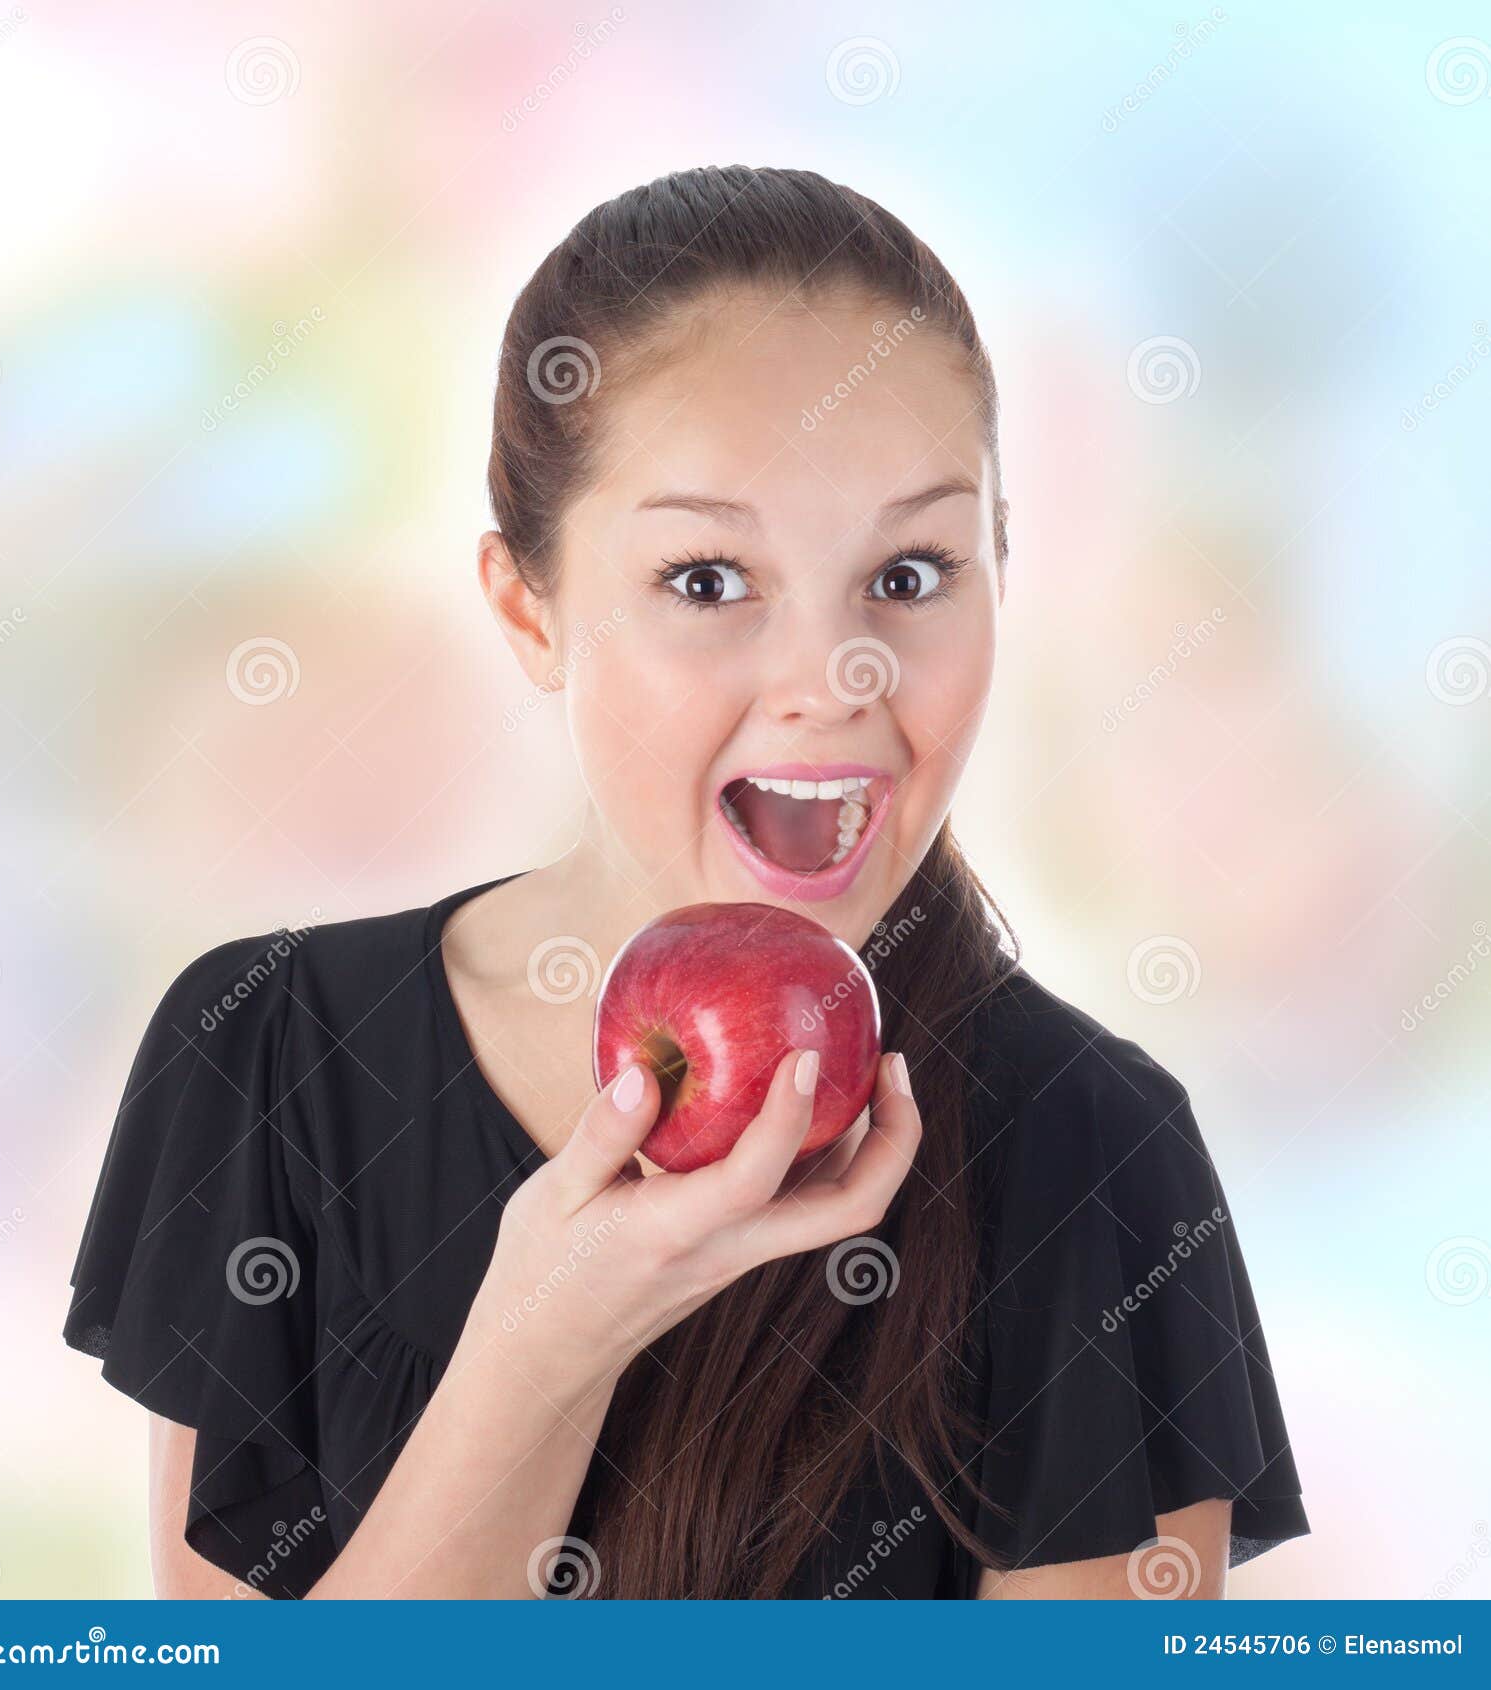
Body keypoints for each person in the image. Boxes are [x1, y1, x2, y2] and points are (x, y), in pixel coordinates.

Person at [63, 164, 1308, 1599]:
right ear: (530, 609)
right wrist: (547, 1338)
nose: (833, 680)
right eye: (709, 578)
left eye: (909, 574)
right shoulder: (272, 1053)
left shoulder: (1089, 1149)